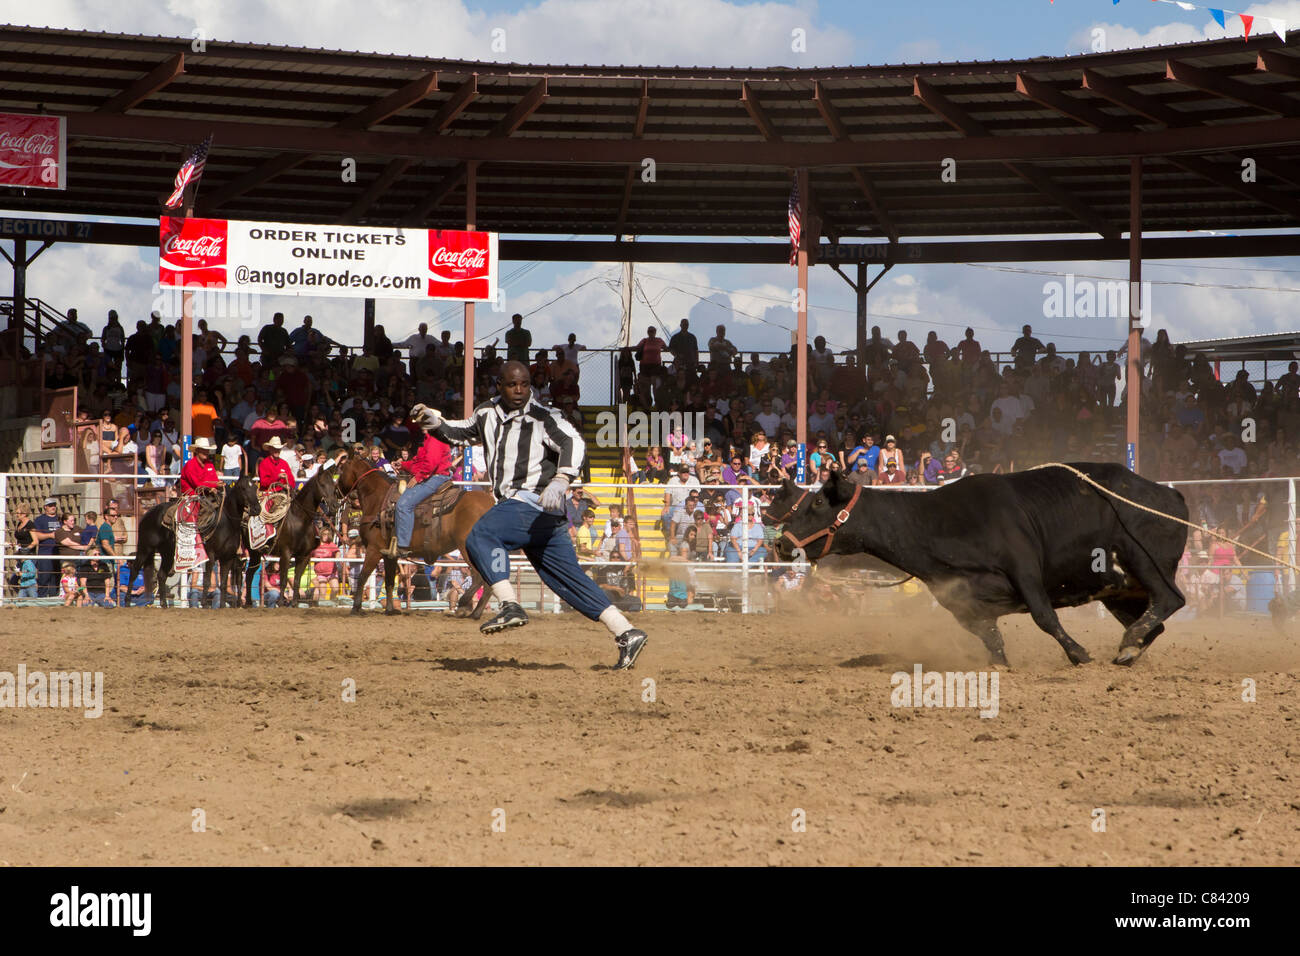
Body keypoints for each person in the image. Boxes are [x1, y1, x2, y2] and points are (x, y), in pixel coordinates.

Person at [414, 361, 648, 669]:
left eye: (525, 385)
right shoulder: (487, 413)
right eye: (513, 385)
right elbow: (461, 432)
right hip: (539, 516)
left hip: (532, 501)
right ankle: (627, 632)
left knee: (481, 534)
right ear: (500, 385)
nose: (520, 391)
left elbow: (573, 442)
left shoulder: (544, 417)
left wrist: (563, 477)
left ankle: (510, 604)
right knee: (566, 581)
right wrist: (436, 421)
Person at [386, 411, 453, 557]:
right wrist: (403, 465)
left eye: (424, 421)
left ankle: (403, 546)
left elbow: (430, 464)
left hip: (436, 477)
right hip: (434, 475)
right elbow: (419, 462)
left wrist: (418, 477)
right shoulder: (429, 439)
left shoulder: (434, 439)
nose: (421, 424)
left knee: (403, 505)